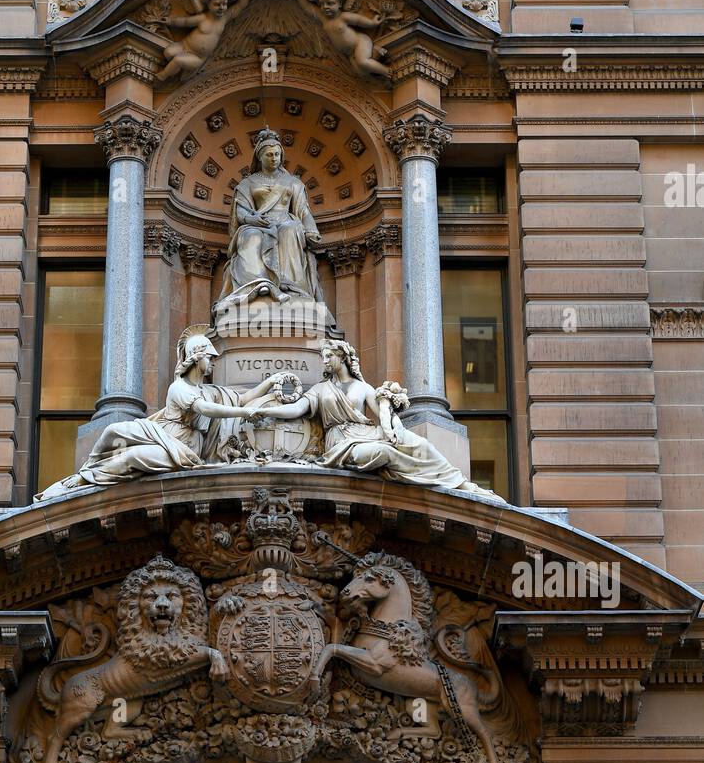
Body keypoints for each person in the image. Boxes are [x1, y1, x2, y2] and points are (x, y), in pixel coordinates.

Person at [34, 328, 279, 501]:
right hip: (163, 434)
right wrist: (244, 412)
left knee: (132, 457)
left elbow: (244, 398)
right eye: (210, 357)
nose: (214, 362)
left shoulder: (210, 391)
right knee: (112, 431)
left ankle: (85, 481)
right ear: (197, 357)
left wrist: (271, 381)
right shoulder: (179, 388)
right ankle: (87, 471)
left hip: (182, 449)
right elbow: (204, 409)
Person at [252, 339, 501, 497]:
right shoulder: (320, 389)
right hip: (342, 442)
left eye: (328, 356)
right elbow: (295, 410)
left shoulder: (364, 388)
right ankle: (416, 479)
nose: (325, 361)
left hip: (369, 432)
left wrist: (391, 425)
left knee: (422, 445)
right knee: (385, 454)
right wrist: (263, 410)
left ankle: (460, 485)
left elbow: (385, 413)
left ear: (342, 357)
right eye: (323, 357)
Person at [215, 127, 325, 311]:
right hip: (258, 223)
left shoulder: (293, 182)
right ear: (260, 157)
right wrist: (253, 220)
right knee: (249, 235)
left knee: (289, 230)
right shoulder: (247, 183)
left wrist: (311, 231)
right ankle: (256, 285)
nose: (274, 158)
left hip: (285, 220)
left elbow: (303, 211)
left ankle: (291, 286)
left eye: (277, 154)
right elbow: (240, 214)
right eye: (269, 155)